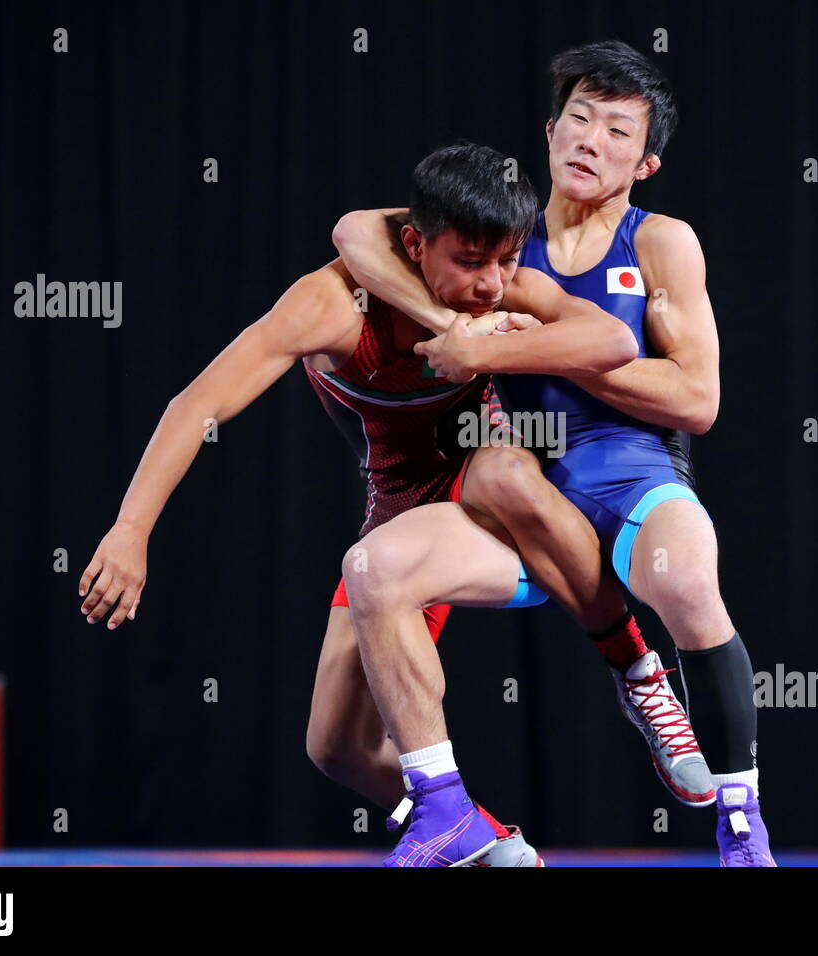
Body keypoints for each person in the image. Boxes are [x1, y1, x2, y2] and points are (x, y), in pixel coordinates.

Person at [77, 143, 642, 866]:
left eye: (506, 261)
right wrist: (131, 530)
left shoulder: (504, 285)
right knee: (335, 747)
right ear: (413, 244)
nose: (492, 284)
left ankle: (634, 666)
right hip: (402, 516)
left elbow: (612, 337)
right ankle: (483, 840)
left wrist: (486, 349)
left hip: (507, 516)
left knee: (500, 465)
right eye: (470, 263)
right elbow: (197, 405)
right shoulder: (333, 306)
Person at [334, 41, 776, 866]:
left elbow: (697, 401)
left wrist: (510, 351)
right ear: (546, 131)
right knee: (374, 569)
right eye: (577, 118)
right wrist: (447, 329)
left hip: (630, 475)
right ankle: (453, 819)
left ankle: (741, 821)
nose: (590, 141)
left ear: (644, 163)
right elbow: (357, 230)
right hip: (518, 499)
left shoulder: (661, 243)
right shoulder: (501, 232)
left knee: (685, 577)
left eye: (616, 132)